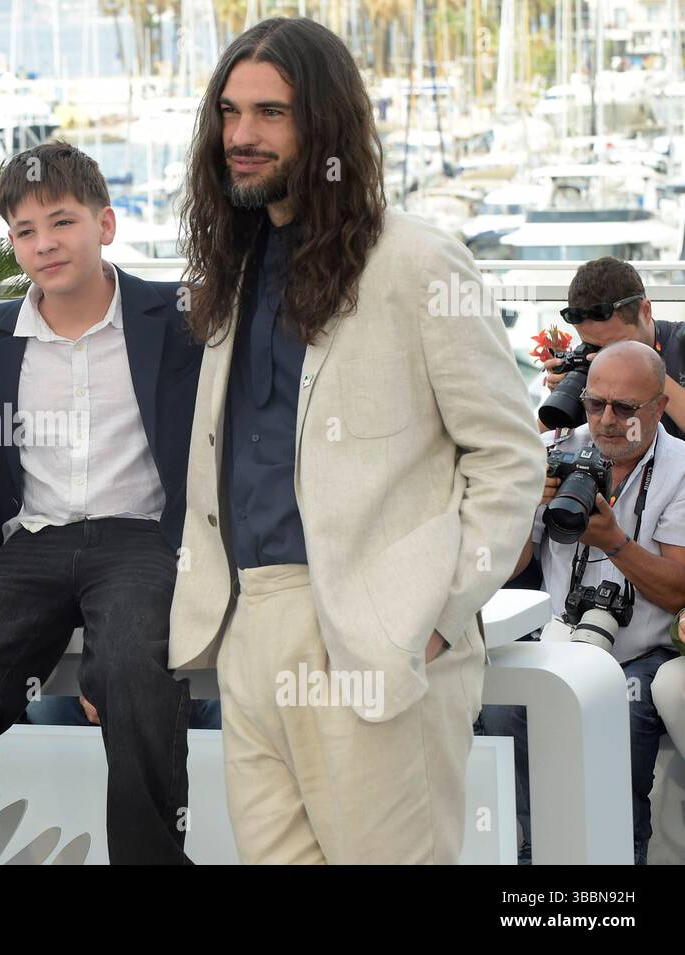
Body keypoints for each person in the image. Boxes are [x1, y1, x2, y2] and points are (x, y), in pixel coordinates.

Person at [169, 17, 545, 864]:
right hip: (247, 626)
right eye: (230, 113)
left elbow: (510, 454)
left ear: (326, 123)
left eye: (270, 113)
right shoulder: (229, 271)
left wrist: (438, 618)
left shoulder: (417, 264)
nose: (242, 136)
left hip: (375, 634)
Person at [0, 141, 203, 864]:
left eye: (61, 222)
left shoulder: (173, 315)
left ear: (105, 224)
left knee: (134, 674)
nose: (44, 244)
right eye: (24, 231)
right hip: (30, 544)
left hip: (138, 537)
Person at [501, 340, 685, 865]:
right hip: (561, 640)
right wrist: (522, 510)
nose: (606, 421)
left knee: (622, 720)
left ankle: (619, 869)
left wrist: (615, 543)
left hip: (643, 650)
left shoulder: (680, 469)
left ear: (658, 407)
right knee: (506, 711)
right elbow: (508, 567)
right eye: (595, 403)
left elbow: (678, 589)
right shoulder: (554, 452)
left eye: (625, 408)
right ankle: (535, 863)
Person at [541, 257, 685, 439]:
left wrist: (646, 369)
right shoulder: (589, 359)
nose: (607, 357)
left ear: (645, 311)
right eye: (593, 345)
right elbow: (535, 441)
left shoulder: (680, 342)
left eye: (616, 346)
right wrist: (565, 394)